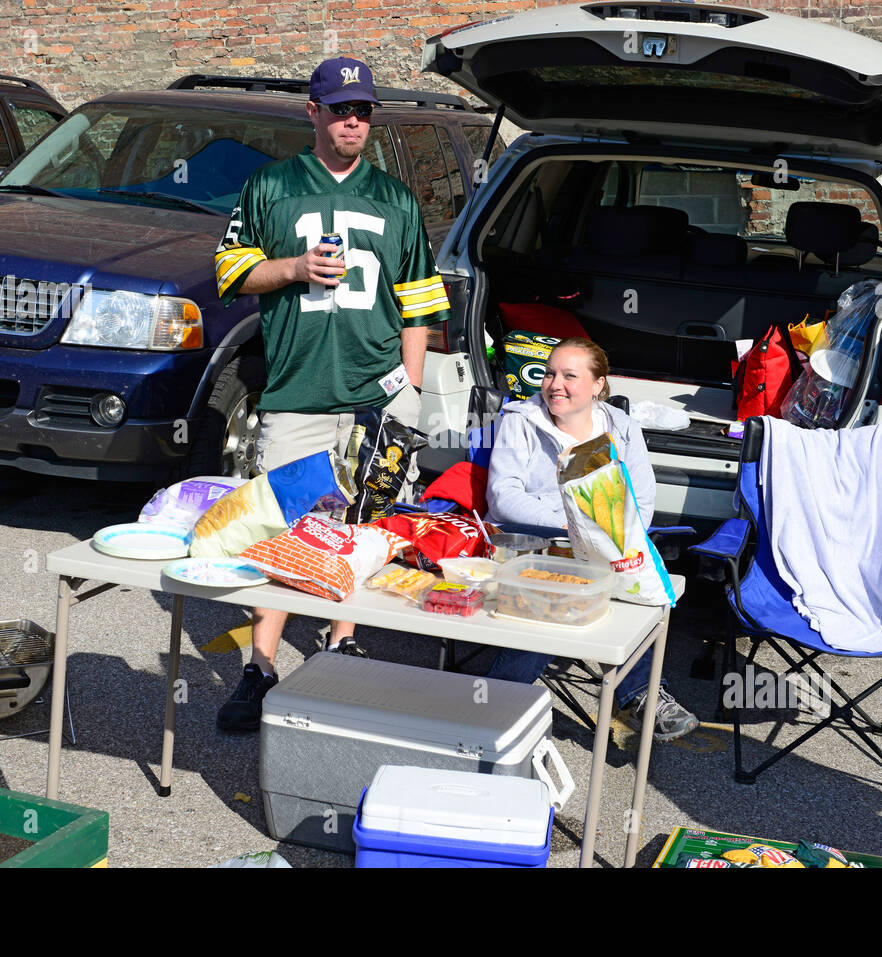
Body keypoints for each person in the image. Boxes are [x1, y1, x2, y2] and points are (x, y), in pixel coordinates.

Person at [211, 56, 449, 733]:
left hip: (375, 392)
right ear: (311, 111)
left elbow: (418, 308)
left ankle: (341, 642)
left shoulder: (396, 198)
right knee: (285, 531)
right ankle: (259, 665)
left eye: (364, 110)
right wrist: (290, 267)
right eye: (341, 108)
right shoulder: (272, 186)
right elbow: (229, 270)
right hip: (296, 388)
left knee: (362, 530)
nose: (354, 120)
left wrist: (411, 397)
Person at [484, 337, 699, 742]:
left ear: (599, 385)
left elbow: (642, 498)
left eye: (569, 375)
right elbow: (505, 498)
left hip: (607, 545)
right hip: (534, 543)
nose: (554, 385)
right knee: (558, 598)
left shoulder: (621, 427)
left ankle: (497, 699)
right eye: (549, 374)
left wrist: (613, 535)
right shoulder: (521, 420)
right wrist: (574, 524)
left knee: (631, 595)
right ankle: (500, 698)